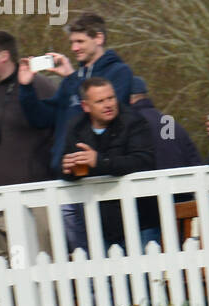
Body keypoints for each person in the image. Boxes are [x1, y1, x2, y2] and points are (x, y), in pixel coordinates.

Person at [19, 11, 135, 253]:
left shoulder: (119, 72)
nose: (74, 48)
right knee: (85, 262)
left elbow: (103, 114)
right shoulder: (72, 80)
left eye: (80, 41)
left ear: (99, 38)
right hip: (70, 177)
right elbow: (41, 118)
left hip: (103, 179)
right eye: (72, 42)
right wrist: (27, 87)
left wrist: (72, 78)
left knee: (113, 256)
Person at [0, 30, 57, 263]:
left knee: (42, 276)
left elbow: (60, 129)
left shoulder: (38, 86)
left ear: (3, 56)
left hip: (30, 202)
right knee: (4, 286)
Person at [60, 78, 154, 254]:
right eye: (100, 101)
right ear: (86, 106)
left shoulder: (134, 122)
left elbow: (144, 161)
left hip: (139, 220)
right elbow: (68, 166)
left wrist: (100, 162)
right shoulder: (76, 127)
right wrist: (67, 170)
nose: (108, 104)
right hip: (98, 223)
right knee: (108, 280)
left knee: (143, 279)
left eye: (111, 98)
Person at [128, 78, 203, 248]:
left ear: (128, 98)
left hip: (148, 206)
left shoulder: (131, 123)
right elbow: (188, 157)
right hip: (181, 202)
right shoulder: (166, 120)